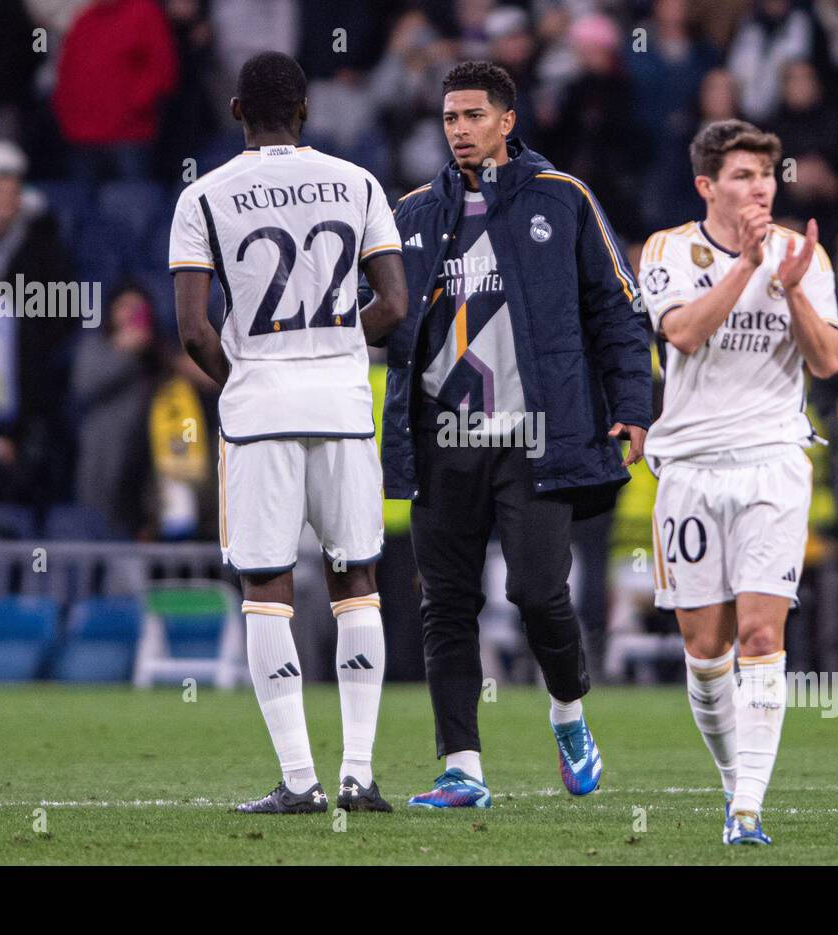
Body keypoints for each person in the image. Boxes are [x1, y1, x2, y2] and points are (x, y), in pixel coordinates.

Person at [385, 61, 652, 809]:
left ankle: (568, 713)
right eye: (449, 118)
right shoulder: (410, 215)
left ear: (507, 120)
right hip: (445, 439)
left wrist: (633, 404)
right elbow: (384, 325)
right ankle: (462, 767)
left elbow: (618, 310)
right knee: (446, 603)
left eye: (473, 116)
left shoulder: (562, 199)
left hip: (536, 434)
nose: (459, 130)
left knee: (538, 593)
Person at [170, 52, 407, 814]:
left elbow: (194, 331)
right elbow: (395, 306)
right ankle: (360, 775)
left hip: (260, 411)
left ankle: (300, 782)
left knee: (267, 587)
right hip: (341, 404)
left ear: (237, 108)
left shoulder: (202, 196)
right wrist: (333, 345)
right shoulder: (359, 182)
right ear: (305, 109)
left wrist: (250, 371)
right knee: (356, 578)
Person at [637, 119, 838, 845]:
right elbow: (684, 333)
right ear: (707, 187)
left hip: (772, 462)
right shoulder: (666, 249)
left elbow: (827, 362)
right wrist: (745, 268)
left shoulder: (803, 255)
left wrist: (790, 291)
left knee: (761, 631)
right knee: (704, 652)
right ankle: (735, 784)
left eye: (766, 176)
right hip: (690, 466)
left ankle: (748, 808)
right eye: (742, 177)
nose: (759, 188)